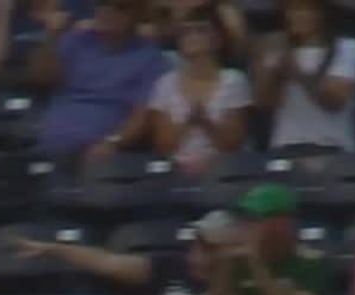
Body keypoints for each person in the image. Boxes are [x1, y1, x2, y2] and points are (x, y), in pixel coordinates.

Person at [29, 0, 171, 162]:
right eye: (102, 4)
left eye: (120, 7)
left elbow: (142, 115)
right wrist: (52, 36)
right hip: (49, 145)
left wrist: (113, 142)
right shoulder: (76, 40)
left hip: (100, 155)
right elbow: (41, 77)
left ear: (136, 14)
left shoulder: (151, 59)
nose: (108, 11)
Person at [145, 6, 251, 176]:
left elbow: (233, 144)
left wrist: (206, 123)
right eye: (185, 32)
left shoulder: (234, 80)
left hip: (224, 170)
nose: (192, 37)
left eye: (200, 30)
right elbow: (162, 145)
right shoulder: (164, 83)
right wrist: (189, 121)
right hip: (176, 173)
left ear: (217, 38)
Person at [252, 0, 355, 154]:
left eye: (304, 10)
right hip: (286, 147)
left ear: (322, 14)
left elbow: (334, 102)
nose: (296, 16)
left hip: (333, 147)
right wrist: (272, 73)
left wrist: (297, 74)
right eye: (291, 10)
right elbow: (265, 103)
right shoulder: (276, 48)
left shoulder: (348, 48)